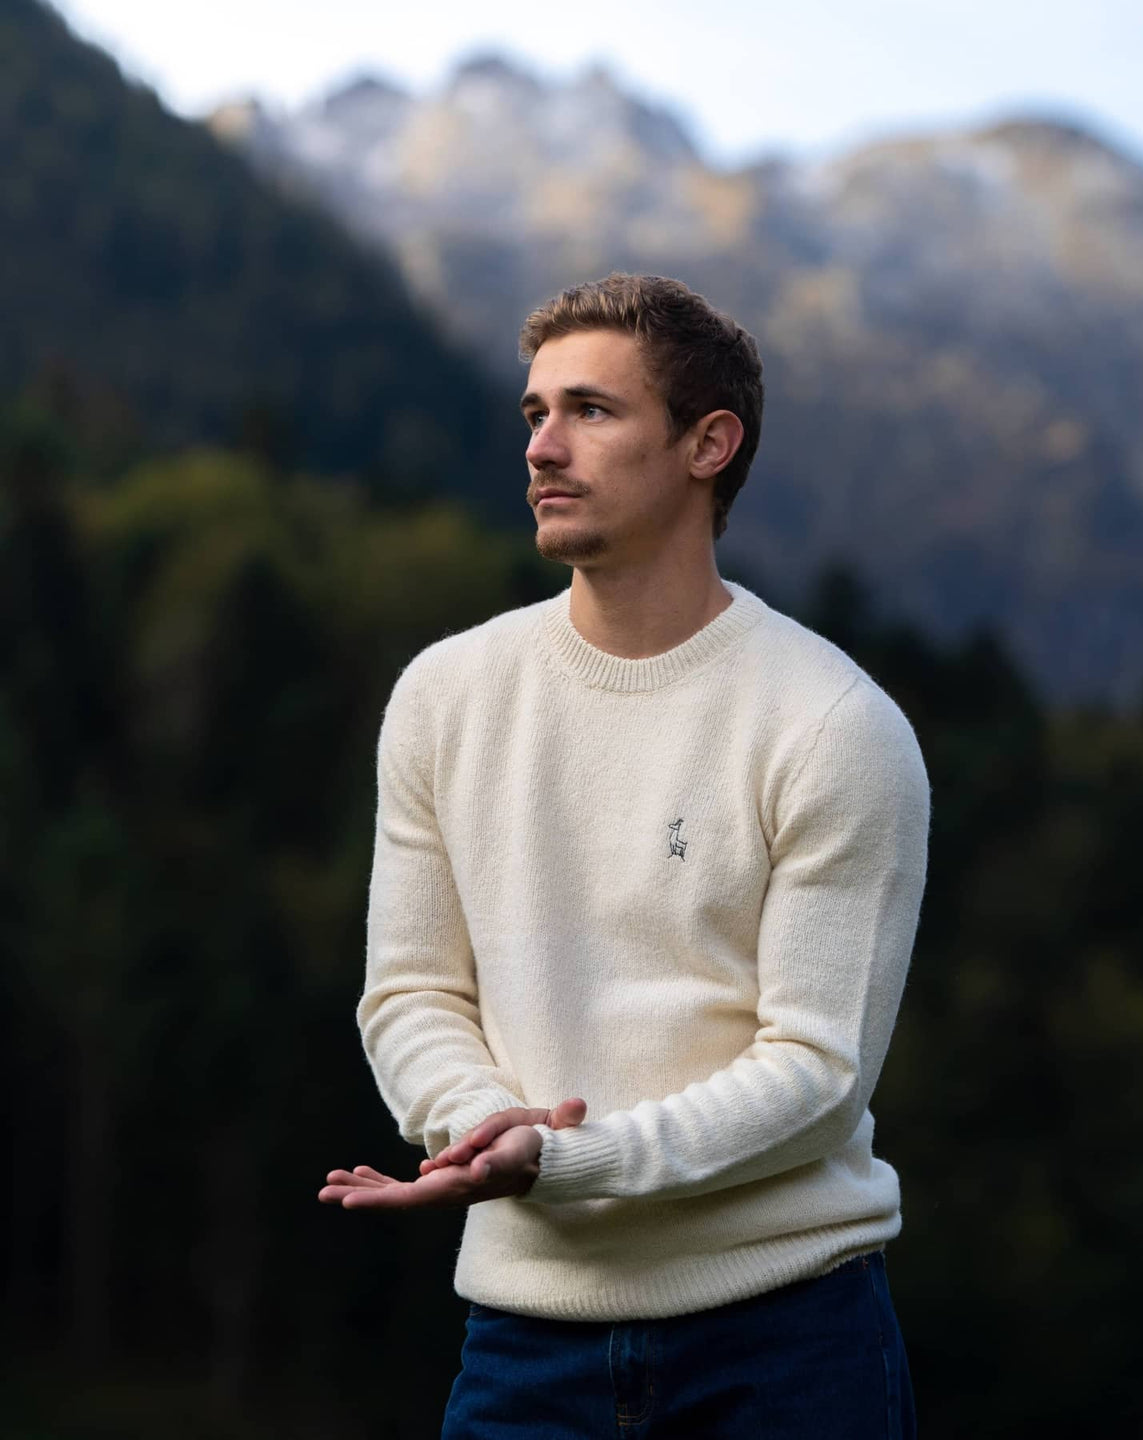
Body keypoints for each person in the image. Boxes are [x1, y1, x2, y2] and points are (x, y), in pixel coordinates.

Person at [319, 273, 930, 1437]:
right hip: (522, 1341)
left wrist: (567, 1158)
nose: (544, 446)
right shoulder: (447, 697)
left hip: (786, 1342)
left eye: (591, 411)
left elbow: (813, 1075)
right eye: (534, 414)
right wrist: (485, 1129)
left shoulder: (835, 725)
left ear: (710, 444)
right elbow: (411, 993)